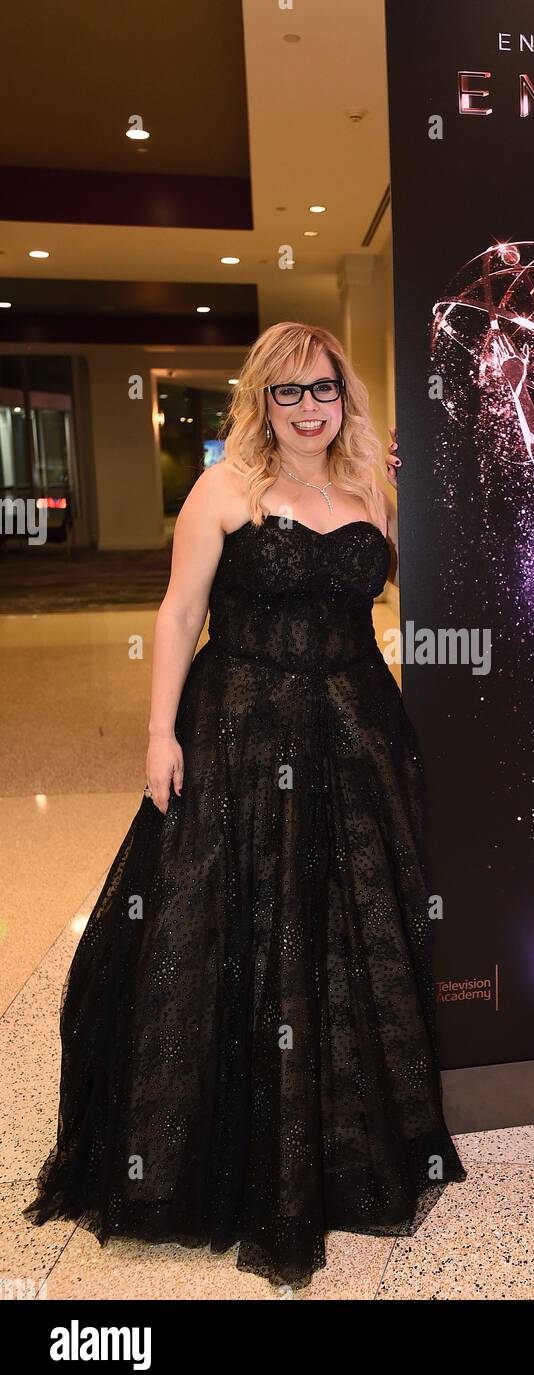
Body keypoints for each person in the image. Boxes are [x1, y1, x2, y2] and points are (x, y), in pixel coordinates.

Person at [23, 321, 467, 1292]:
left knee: (344, 932)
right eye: (289, 393)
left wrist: (417, 489)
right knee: (228, 923)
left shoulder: (369, 488)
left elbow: (402, 589)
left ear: (345, 397)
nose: (310, 409)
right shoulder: (224, 490)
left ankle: (340, 1143)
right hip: (239, 731)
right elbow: (179, 614)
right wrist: (157, 734)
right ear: (261, 400)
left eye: (325, 391)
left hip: (353, 730)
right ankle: (224, 1154)